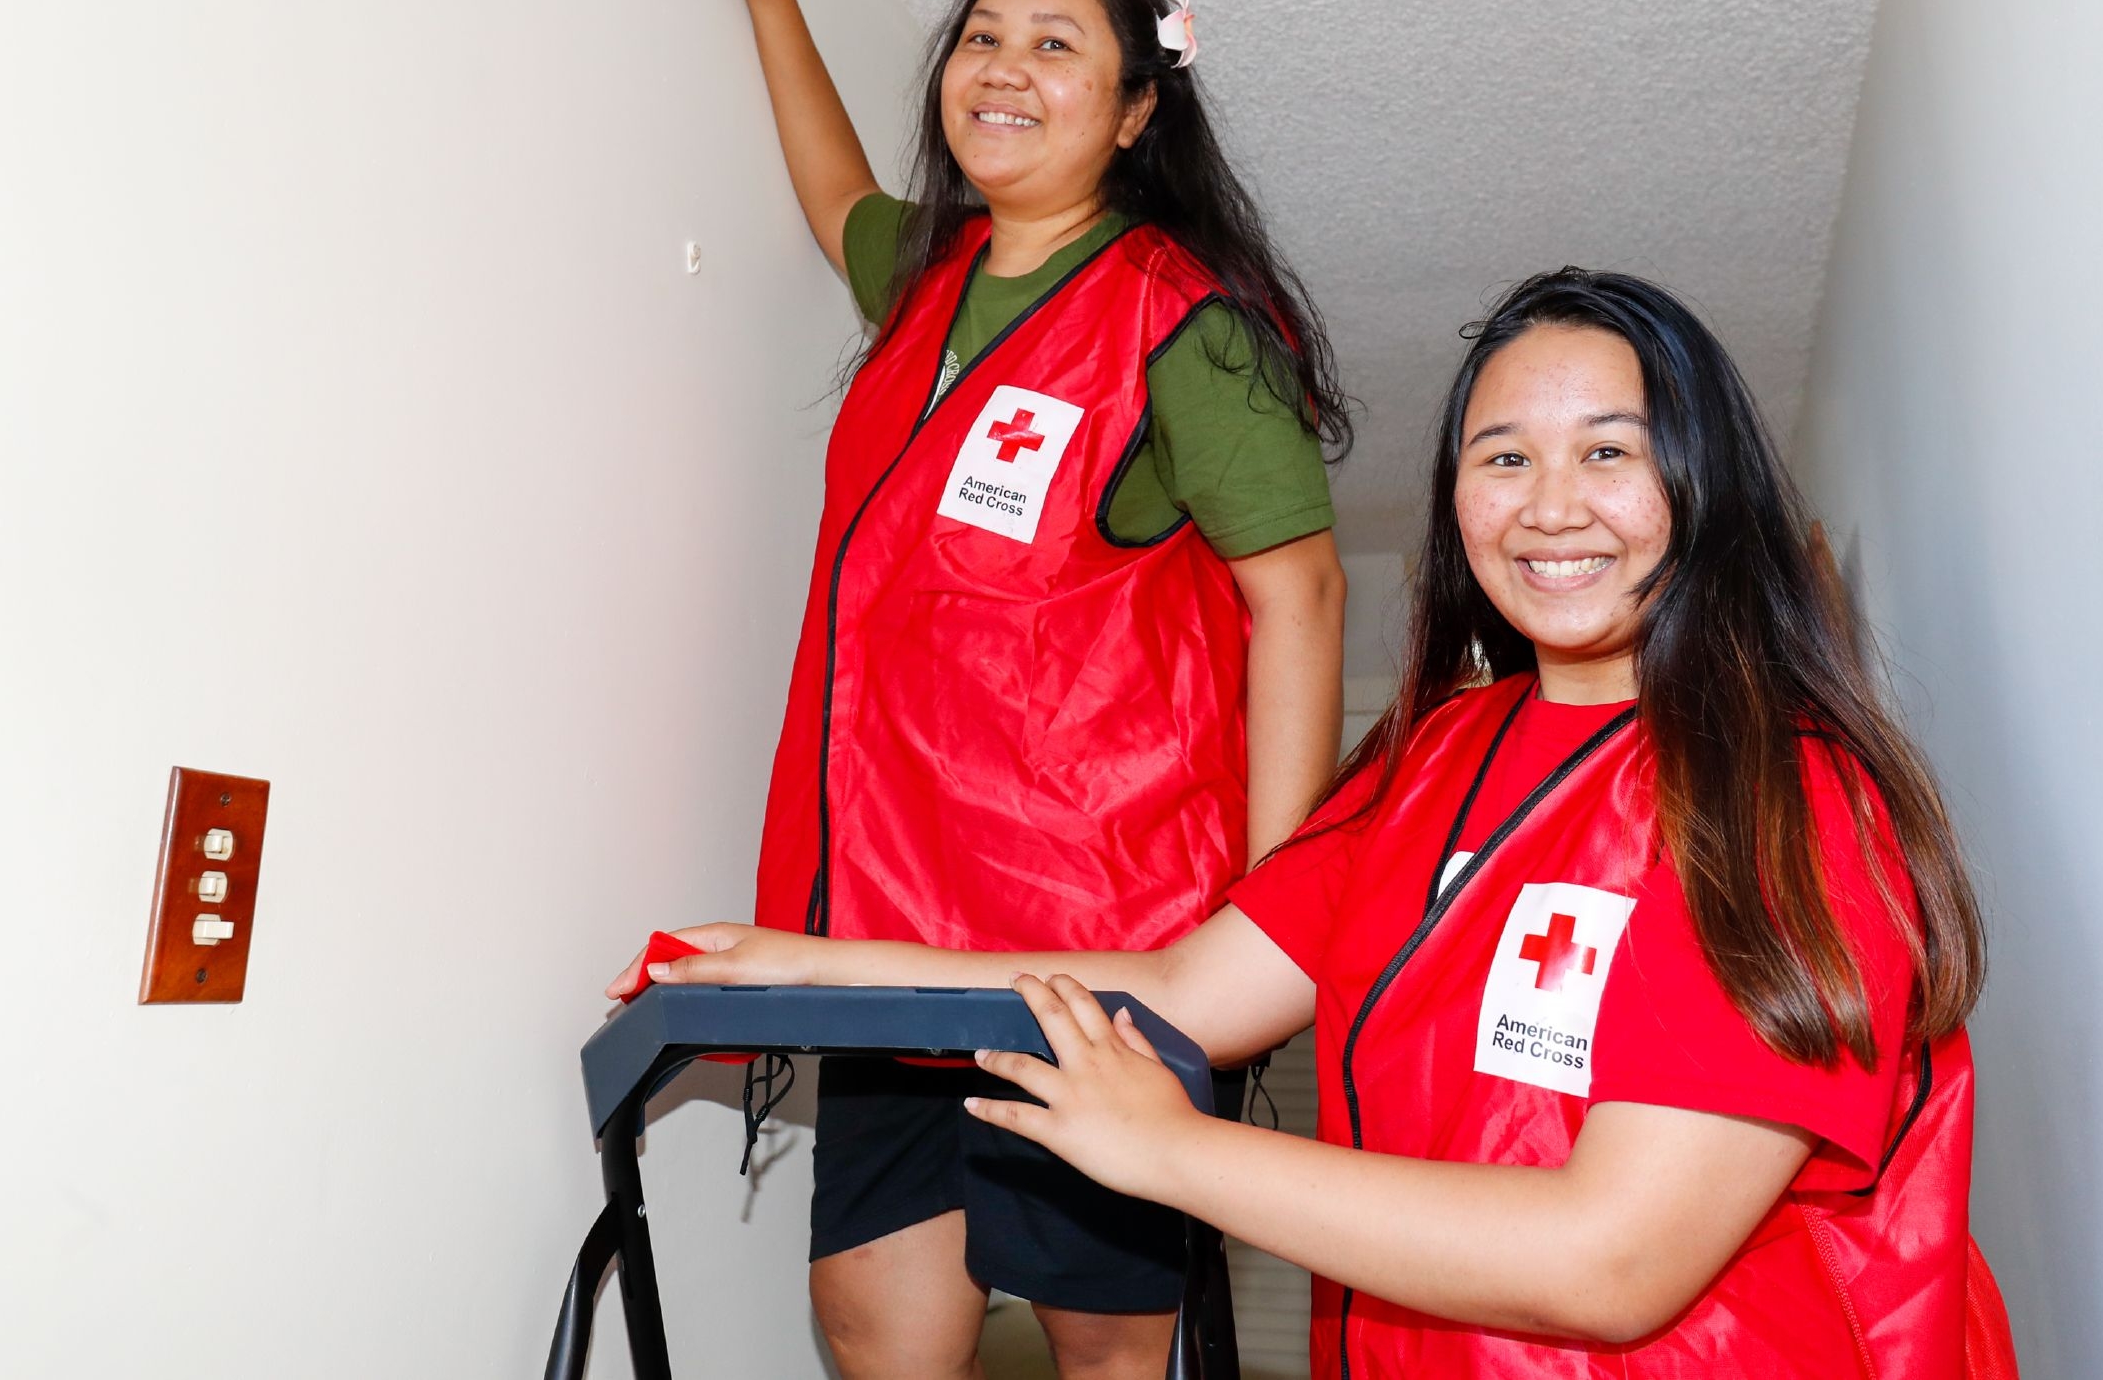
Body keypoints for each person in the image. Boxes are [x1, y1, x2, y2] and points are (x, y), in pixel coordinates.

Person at [618, 268, 2010, 1378]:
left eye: (1609, 452)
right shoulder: (1431, 754)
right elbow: (1182, 988)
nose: (1551, 506)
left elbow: (1614, 1259)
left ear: (1706, 487)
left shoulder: (1785, 798)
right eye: (1503, 456)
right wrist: (815, 965)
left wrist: (1174, 1150)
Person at [698, 0, 1353, 1380]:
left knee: (1106, 1346)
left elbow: (1307, 600)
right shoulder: (923, 281)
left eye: (1057, 45)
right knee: (873, 1325)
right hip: (886, 937)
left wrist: (1267, 926)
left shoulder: (1185, 325)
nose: (1003, 65)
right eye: (983, 34)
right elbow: (835, 194)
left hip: (1091, 949)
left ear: (1133, 112)